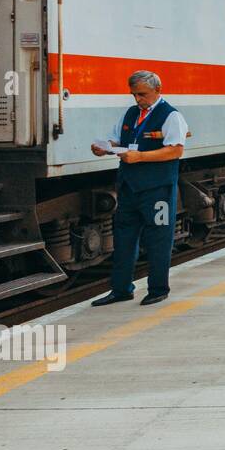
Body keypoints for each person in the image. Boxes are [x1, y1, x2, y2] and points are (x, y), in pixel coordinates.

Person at [90, 71, 189, 307]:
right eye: (134, 94)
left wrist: (141, 156)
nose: (138, 99)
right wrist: (104, 147)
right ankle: (121, 289)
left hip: (158, 189)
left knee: (159, 238)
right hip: (129, 188)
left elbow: (175, 150)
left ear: (158, 90)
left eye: (142, 94)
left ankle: (158, 289)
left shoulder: (171, 116)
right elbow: (118, 140)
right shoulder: (131, 114)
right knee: (123, 239)